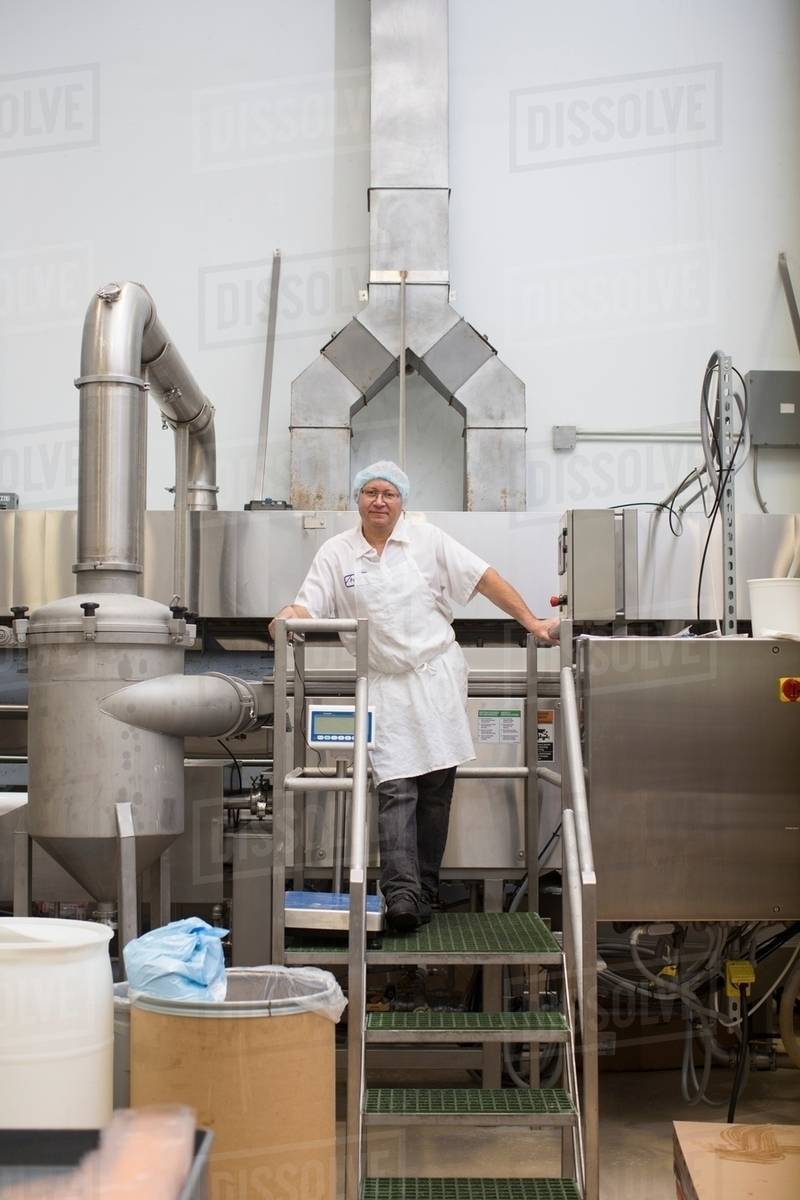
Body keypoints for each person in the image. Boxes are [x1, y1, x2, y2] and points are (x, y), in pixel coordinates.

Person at [269, 460, 559, 932]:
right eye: (370, 492)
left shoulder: (428, 541)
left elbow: (483, 577)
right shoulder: (336, 552)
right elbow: (308, 601)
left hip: (435, 676)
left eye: (389, 493)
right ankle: (401, 896)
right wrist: (287, 615)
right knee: (395, 787)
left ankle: (425, 889)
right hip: (384, 684)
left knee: (435, 792)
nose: (379, 501)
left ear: (402, 501)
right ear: (357, 499)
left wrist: (531, 622)